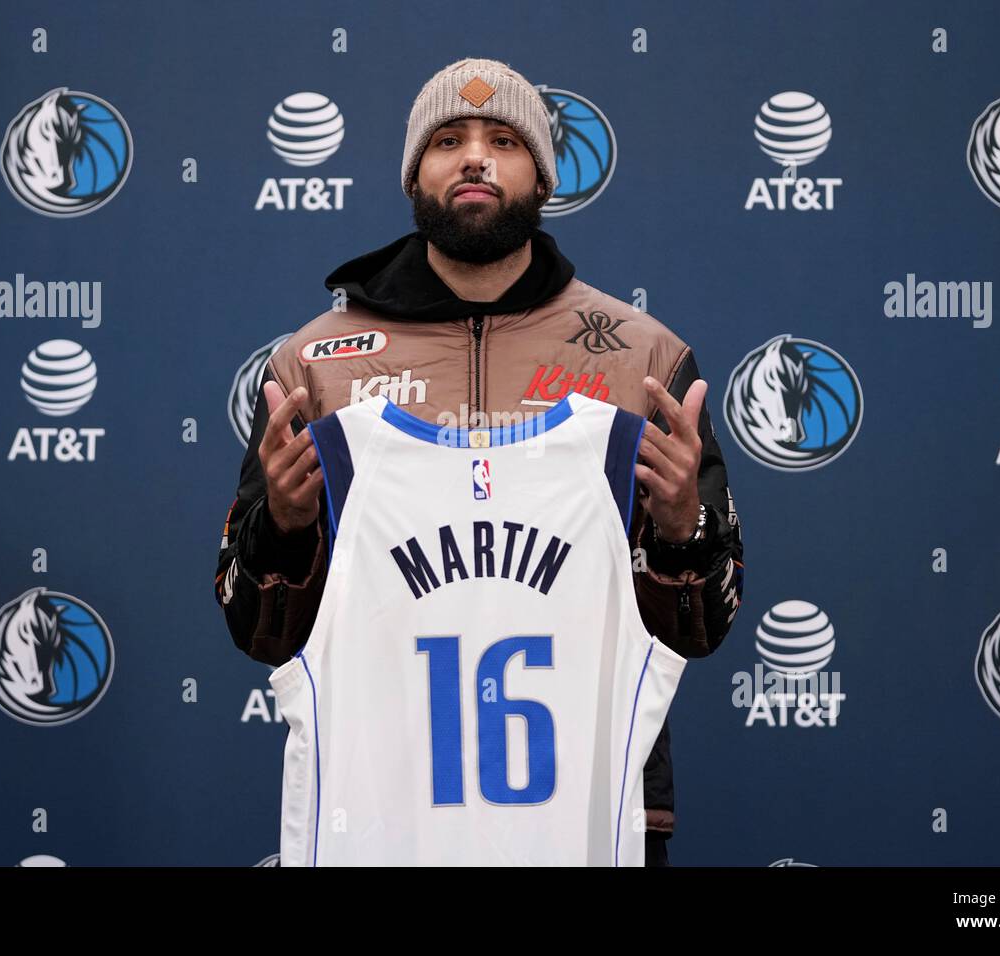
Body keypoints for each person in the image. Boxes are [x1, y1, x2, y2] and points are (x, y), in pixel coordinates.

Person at [214, 57, 744, 866]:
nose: (475, 157)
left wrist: (684, 528)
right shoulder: (315, 363)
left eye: (503, 139)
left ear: (541, 175)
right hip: (385, 808)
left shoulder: (641, 355)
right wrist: (281, 530)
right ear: (412, 175)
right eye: (448, 139)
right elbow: (256, 629)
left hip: (587, 808)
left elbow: (703, 628)